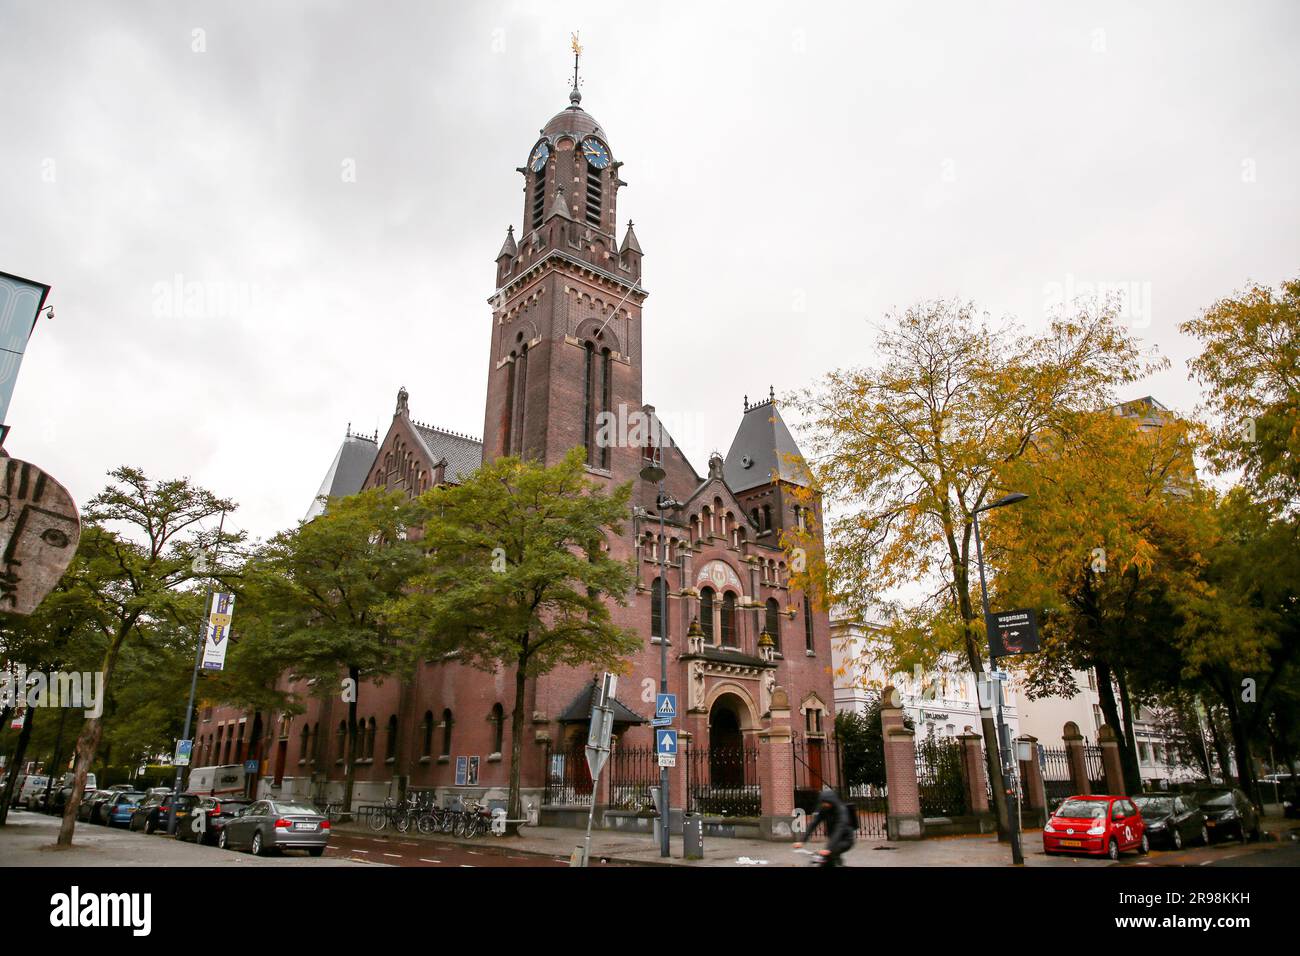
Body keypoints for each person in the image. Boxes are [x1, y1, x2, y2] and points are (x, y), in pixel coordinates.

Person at [793, 787, 855, 866]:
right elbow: (813, 823)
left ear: (832, 801)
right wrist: (802, 841)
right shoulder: (824, 809)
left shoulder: (841, 810)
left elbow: (839, 829)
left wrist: (828, 848)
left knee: (827, 857)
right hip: (833, 840)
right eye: (823, 802)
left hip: (845, 840)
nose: (824, 804)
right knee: (827, 860)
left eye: (826, 802)